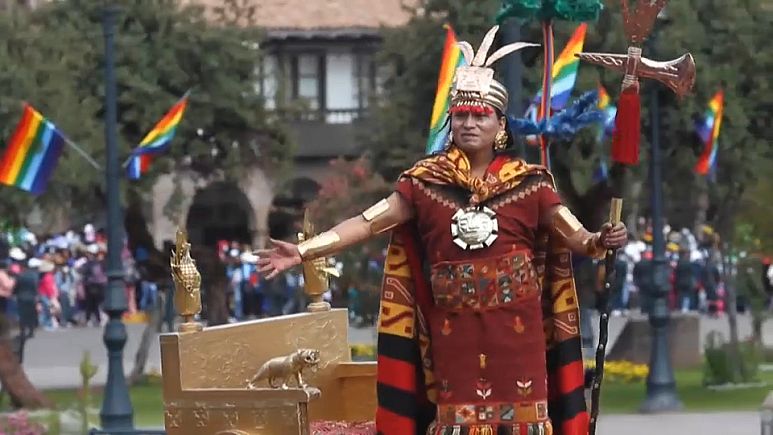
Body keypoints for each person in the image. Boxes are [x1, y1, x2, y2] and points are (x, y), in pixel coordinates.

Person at [257, 26, 627, 435]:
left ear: (500, 127)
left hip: (518, 335)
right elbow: (366, 222)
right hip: (453, 332)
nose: (469, 123)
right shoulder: (422, 183)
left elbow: (578, 238)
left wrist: (601, 240)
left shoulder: (532, 183)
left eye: (480, 114)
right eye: (461, 115)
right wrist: (305, 250)